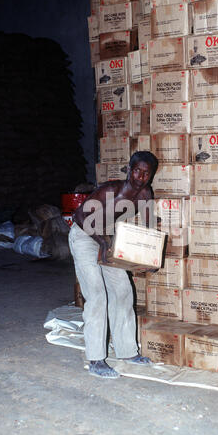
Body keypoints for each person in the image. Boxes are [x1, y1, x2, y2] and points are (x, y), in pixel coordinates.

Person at [68, 151, 159, 379]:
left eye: (145, 173)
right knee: (97, 295)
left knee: (122, 291)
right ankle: (96, 359)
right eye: (136, 170)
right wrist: (101, 242)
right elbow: (79, 216)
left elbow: (148, 231)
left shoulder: (145, 195)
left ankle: (127, 351)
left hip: (106, 239)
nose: (140, 176)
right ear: (129, 170)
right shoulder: (111, 190)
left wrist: (150, 259)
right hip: (84, 236)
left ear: (151, 175)